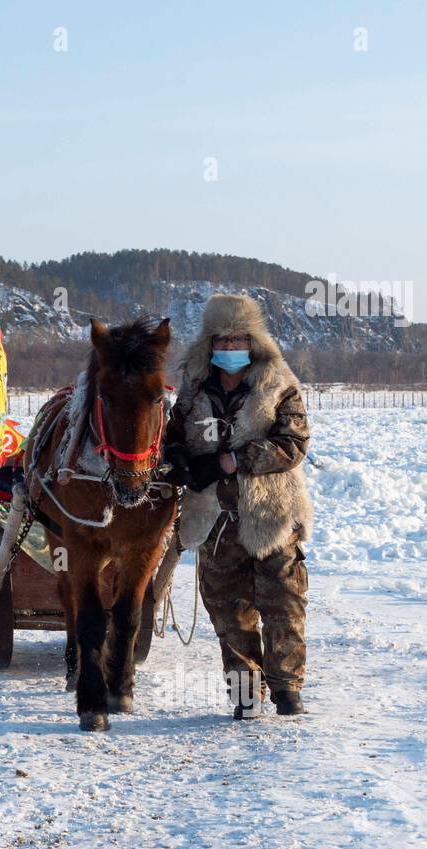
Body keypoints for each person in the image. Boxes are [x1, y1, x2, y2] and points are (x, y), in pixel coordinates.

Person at [163, 294, 312, 720]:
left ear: (253, 341)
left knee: (282, 602)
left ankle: (287, 690)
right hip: (214, 519)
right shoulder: (193, 389)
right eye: (221, 340)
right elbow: (175, 436)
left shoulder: (277, 383)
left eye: (237, 340)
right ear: (209, 344)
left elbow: (294, 443)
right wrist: (181, 461)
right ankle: (246, 694)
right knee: (229, 613)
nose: (229, 349)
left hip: (271, 514)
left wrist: (231, 460)